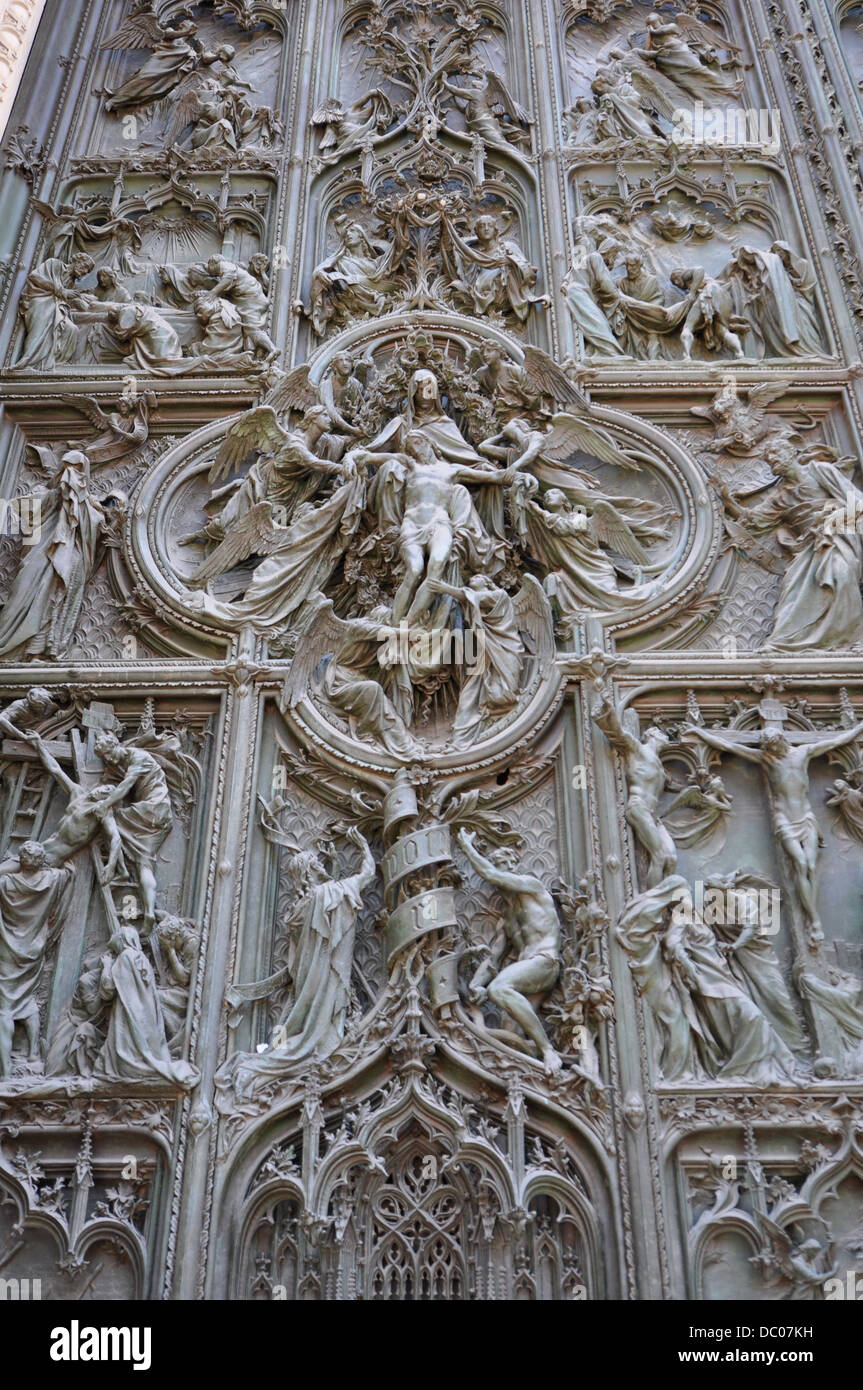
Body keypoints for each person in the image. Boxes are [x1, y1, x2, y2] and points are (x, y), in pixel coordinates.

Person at [459, 829, 562, 1075]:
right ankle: (536, 1069)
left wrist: (466, 847)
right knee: (510, 1037)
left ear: (513, 868)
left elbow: (490, 874)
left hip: (545, 961)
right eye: (497, 865)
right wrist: (475, 985)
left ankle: (549, 1051)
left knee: (499, 989)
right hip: (528, 975)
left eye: (505, 865)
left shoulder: (532, 887)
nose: (501, 871)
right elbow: (493, 960)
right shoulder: (506, 918)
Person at [0, 841, 73, 1076]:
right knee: (28, 1001)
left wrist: (10, 864)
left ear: (21, 859)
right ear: (40, 861)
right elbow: (69, 871)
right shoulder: (51, 880)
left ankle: (5, 1070)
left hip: (7, 951)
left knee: (5, 1010)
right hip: (33, 950)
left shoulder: (6, 883)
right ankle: (33, 1055)